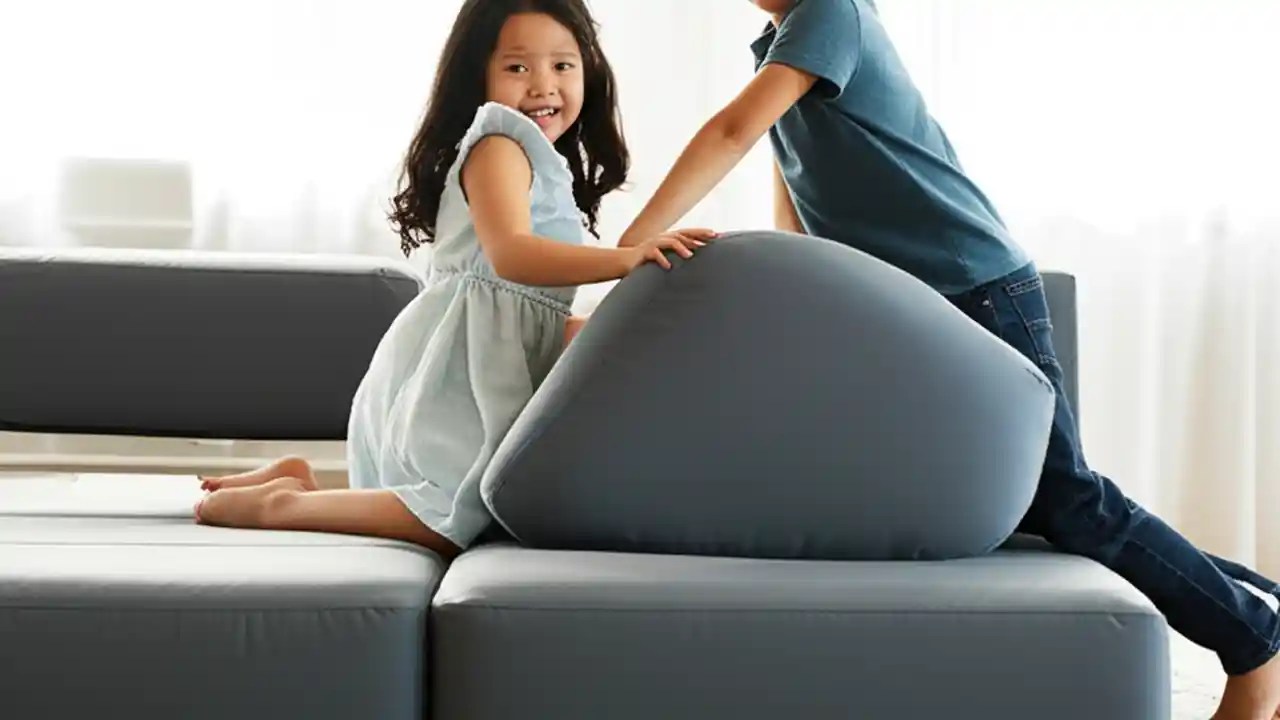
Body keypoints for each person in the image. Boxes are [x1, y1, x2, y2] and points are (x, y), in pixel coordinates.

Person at [617, 1, 1280, 716]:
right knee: (1013, 505)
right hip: (919, 309)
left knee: (1067, 501)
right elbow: (799, 207)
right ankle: (1259, 604)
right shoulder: (779, 46)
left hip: (977, 290)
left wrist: (630, 244)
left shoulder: (830, 12)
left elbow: (732, 131)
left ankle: (1255, 641)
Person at [192, 0, 715, 561]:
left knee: (472, 507)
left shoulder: (541, 160)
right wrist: (625, 260)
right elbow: (512, 257)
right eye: (518, 67)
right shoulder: (499, 147)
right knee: (453, 518)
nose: (543, 85)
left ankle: (302, 480)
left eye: (563, 65)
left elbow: (530, 303)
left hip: (490, 355)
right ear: (478, 76)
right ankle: (281, 506)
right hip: (462, 363)